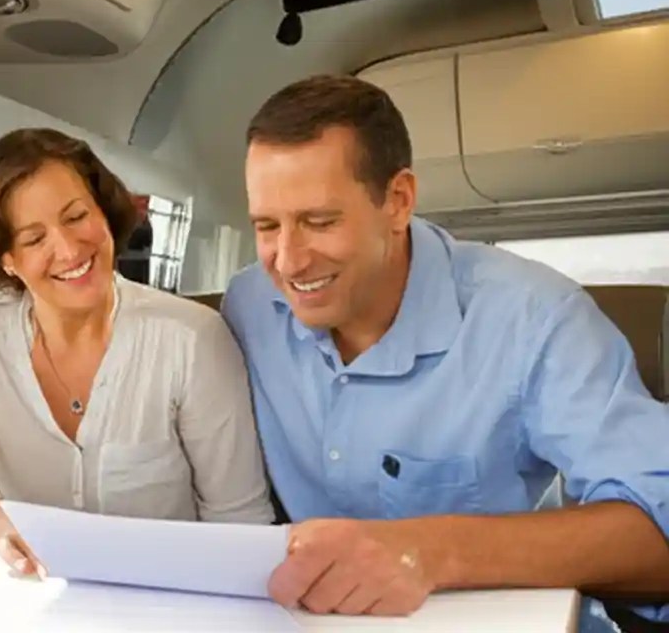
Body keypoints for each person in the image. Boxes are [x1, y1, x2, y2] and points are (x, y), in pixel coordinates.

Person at [220, 74, 669, 626]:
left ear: (399, 201)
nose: (287, 262)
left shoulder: (535, 317)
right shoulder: (245, 305)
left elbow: (658, 535)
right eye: (267, 226)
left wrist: (430, 551)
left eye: (319, 221)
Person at [0, 128, 273, 574]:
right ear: (7, 259)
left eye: (76, 216)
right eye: (33, 239)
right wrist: (29, 537)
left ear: (103, 212)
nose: (67, 249)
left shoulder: (193, 338)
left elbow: (240, 522)